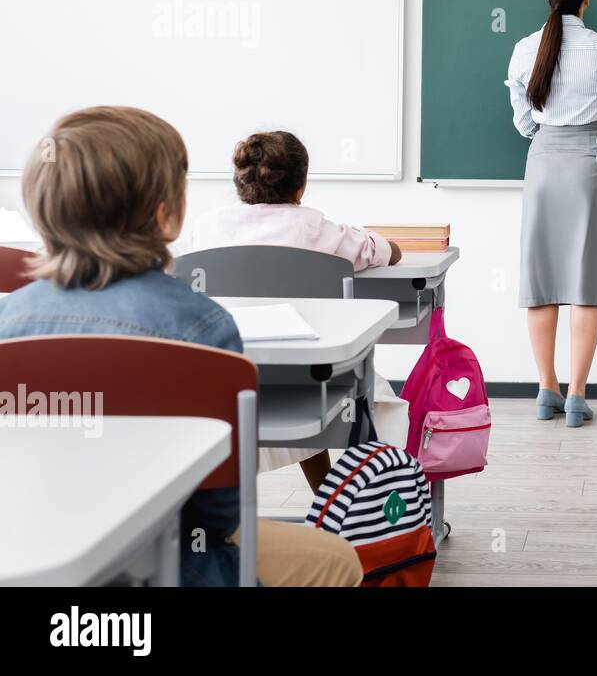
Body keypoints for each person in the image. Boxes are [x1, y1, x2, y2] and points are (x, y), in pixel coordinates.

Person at [0, 107, 361, 586]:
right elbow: (218, 517)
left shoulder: (9, 321)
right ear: (166, 214)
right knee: (337, 561)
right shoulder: (204, 328)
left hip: (34, 556)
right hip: (173, 562)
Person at [190, 130, 402, 487]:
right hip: (311, 381)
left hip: (226, 378)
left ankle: (319, 495)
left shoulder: (207, 227)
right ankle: (366, 509)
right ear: (300, 188)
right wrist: (391, 247)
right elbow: (378, 251)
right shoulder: (316, 229)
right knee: (373, 392)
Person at [504, 0, 597, 428]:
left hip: (543, 160)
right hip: (591, 160)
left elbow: (523, 122)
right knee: (587, 279)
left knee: (541, 281)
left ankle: (547, 388)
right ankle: (578, 395)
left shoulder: (524, 49)